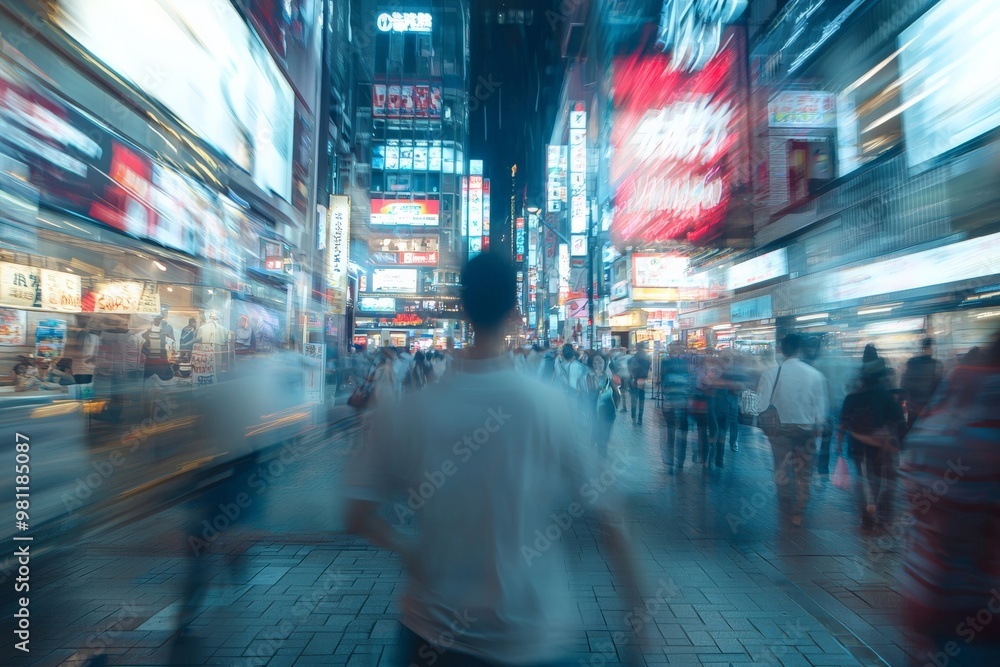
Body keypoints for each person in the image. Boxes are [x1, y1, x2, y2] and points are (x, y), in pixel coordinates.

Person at [344, 252, 647, 665]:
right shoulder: (548, 406)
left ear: (462, 308)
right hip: (532, 634)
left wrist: (411, 552)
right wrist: (639, 617)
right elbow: (610, 516)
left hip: (431, 632)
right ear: (515, 314)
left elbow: (357, 515)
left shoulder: (410, 411)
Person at [900, 331, 1000, 664]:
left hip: (932, 598)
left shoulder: (949, 408)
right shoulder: (982, 423)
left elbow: (913, 483)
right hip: (977, 610)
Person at [755, 334, 829, 527]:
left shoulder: (771, 374)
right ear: (800, 349)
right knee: (804, 472)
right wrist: (818, 427)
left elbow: (761, 406)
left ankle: (786, 506)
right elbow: (821, 410)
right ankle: (799, 511)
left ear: (781, 350)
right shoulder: (815, 375)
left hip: (780, 431)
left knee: (781, 469)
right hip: (807, 431)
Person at [837, 361, 904, 531]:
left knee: (860, 479)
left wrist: (838, 444)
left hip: (856, 444)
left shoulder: (852, 396)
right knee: (878, 479)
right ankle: (880, 515)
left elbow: (842, 422)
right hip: (878, 446)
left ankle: (865, 518)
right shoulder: (884, 394)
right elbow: (897, 418)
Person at [900, 337, 943, 433]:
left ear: (922, 348)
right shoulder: (937, 365)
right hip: (928, 406)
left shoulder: (911, 362)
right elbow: (939, 386)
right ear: (931, 348)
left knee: (912, 429)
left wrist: (904, 400)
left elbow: (904, 383)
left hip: (913, 405)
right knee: (927, 430)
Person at [660, 342, 691, 473]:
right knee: (682, 430)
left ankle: (670, 461)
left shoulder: (665, 362)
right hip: (682, 400)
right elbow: (688, 381)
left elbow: (663, 381)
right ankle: (680, 461)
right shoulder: (684, 363)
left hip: (670, 400)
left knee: (671, 430)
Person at [584, 351, 619, 458]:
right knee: (598, 435)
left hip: (608, 410)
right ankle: (600, 456)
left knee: (605, 436)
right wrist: (596, 378)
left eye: (600, 363)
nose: (597, 365)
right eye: (595, 363)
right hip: (595, 411)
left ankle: (602, 456)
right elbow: (591, 392)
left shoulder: (609, 376)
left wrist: (615, 408)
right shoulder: (589, 376)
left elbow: (617, 393)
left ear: (605, 363)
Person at [628, 343, 651, 425]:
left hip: (635, 379)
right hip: (642, 379)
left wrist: (632, 376)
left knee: (634, 399)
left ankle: (633, 415)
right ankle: (640, 418)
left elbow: (631, 368)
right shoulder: (647, 357)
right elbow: (649, 368)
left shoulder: (635, 357)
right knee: (641, 399)